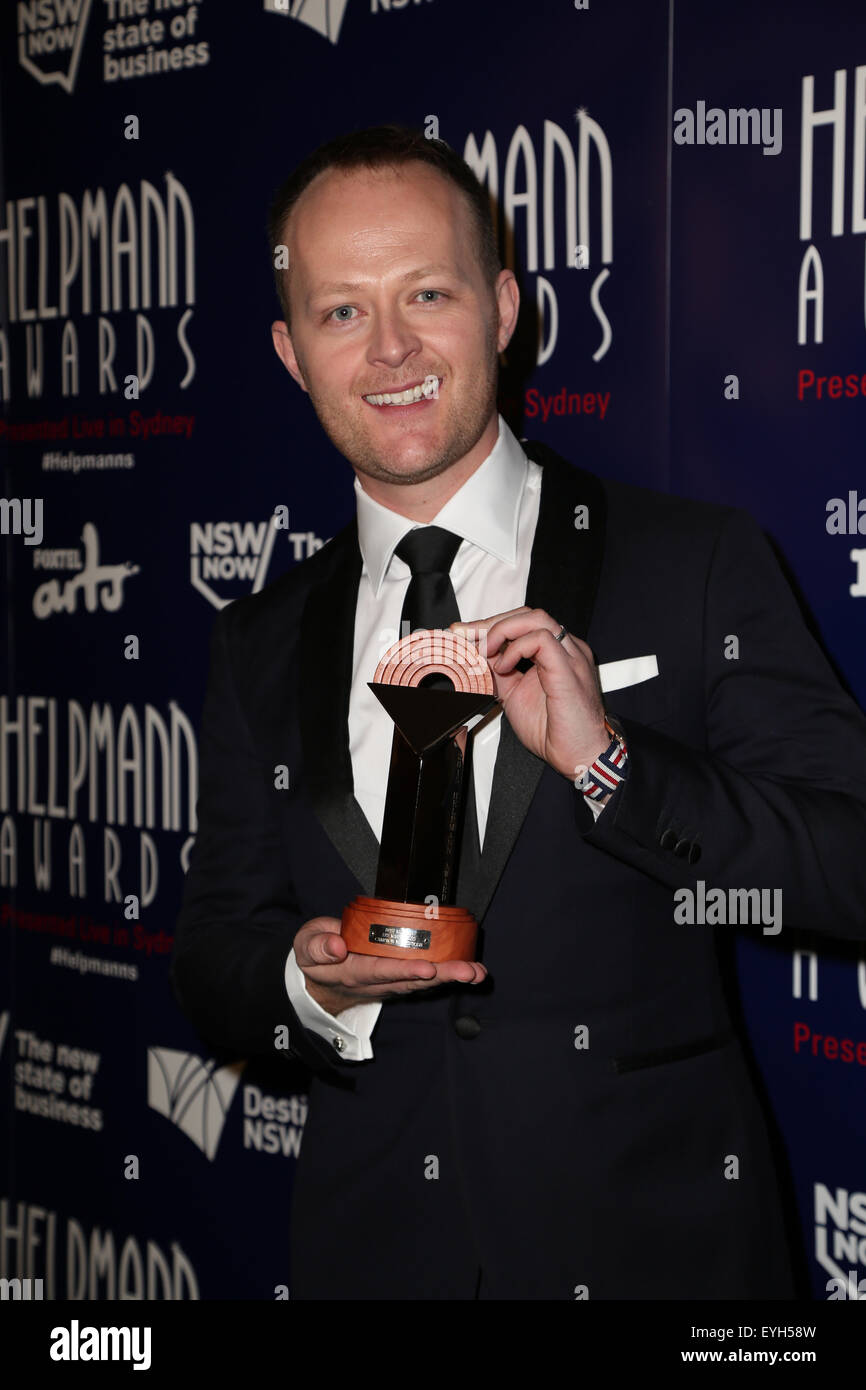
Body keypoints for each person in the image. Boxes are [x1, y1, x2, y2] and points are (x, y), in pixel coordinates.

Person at [171, 124, 866, 1301]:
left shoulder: (690, 565)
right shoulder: (258, 637)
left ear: (500, 309)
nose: (390, 349)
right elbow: (214, 958)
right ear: (292, 354)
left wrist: (607, 765)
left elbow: (847, 867)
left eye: (426, 293)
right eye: (342, 312)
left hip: (663, 1266)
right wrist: (309, 983)